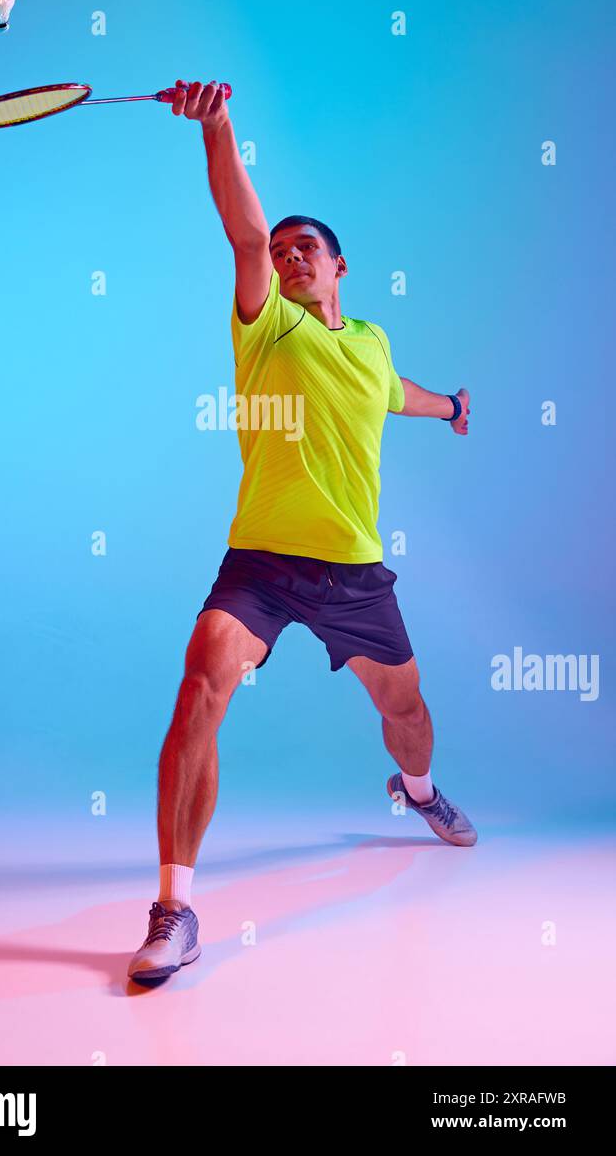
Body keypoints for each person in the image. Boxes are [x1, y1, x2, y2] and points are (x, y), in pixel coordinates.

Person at [127, 80, 476, 986]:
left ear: (339, 266)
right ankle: (174, 908)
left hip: (355, 573)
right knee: (203, 681)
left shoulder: (369, 340)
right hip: (264, 565)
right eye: (280, 252)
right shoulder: (266, 327)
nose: (287, 259)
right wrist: (219, 127)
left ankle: (419, 793)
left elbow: (396, 396)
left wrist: (452, 409)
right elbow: (241, 232)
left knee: (406, 718)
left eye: (304, 249)